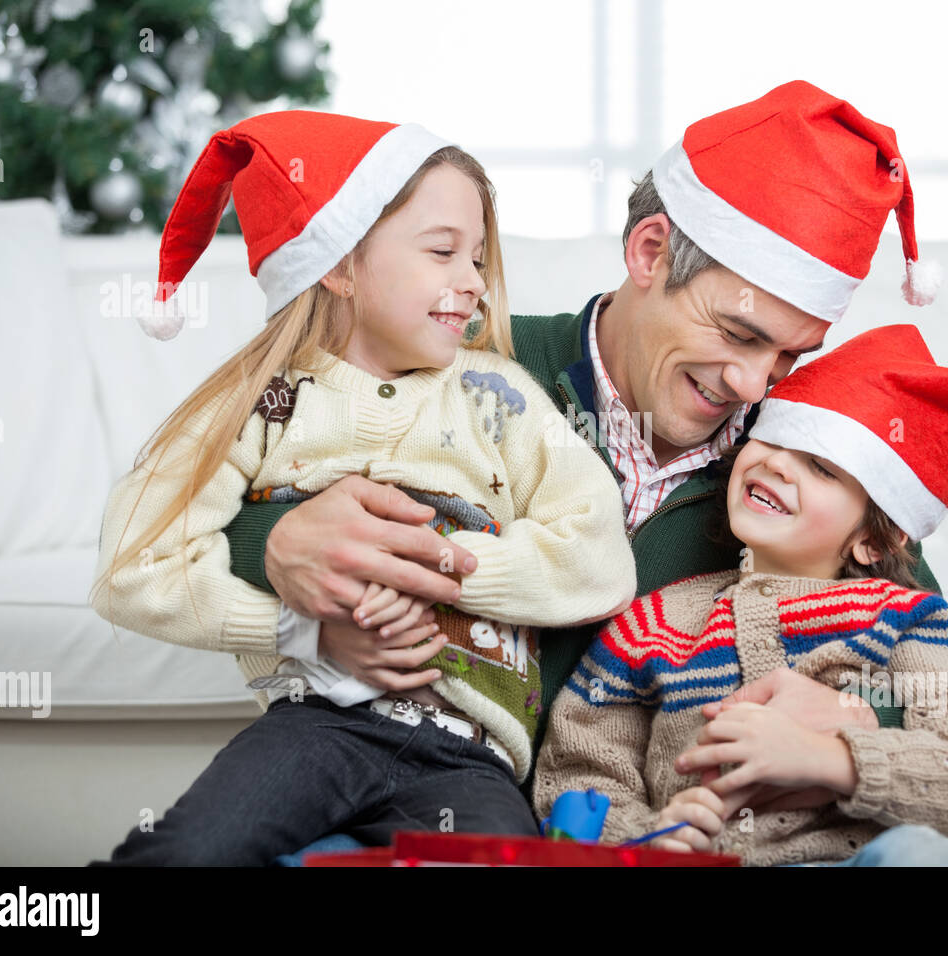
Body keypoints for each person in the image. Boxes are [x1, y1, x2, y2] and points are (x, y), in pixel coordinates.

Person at [220, 82, 948, 861]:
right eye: (741, 333)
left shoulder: (801, 459)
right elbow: (218, 503)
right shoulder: (477, 373)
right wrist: (275, 540)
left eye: (793, 355)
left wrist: (845, 721)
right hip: (434, 803)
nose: (756, 386)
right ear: (650, 251)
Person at [86, 110, 636, 864]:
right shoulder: (262, 402)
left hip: (468, 755)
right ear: (340, 267)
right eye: (443, 252)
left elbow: (600, 554)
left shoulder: (497, 396)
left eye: (478, 259)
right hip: (317, 726)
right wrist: (294, 630)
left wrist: (445, 565)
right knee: (186, 853)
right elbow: (134, 564)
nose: (472, 283)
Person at [533, 324, 948, 864]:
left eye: (820, 466)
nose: (775, 462)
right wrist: (651, 835)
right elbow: (578, 769)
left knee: (922, 854)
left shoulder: (905, 621)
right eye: (773, 439)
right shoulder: (653, 623)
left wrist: (834, 760)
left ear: (874, 539)